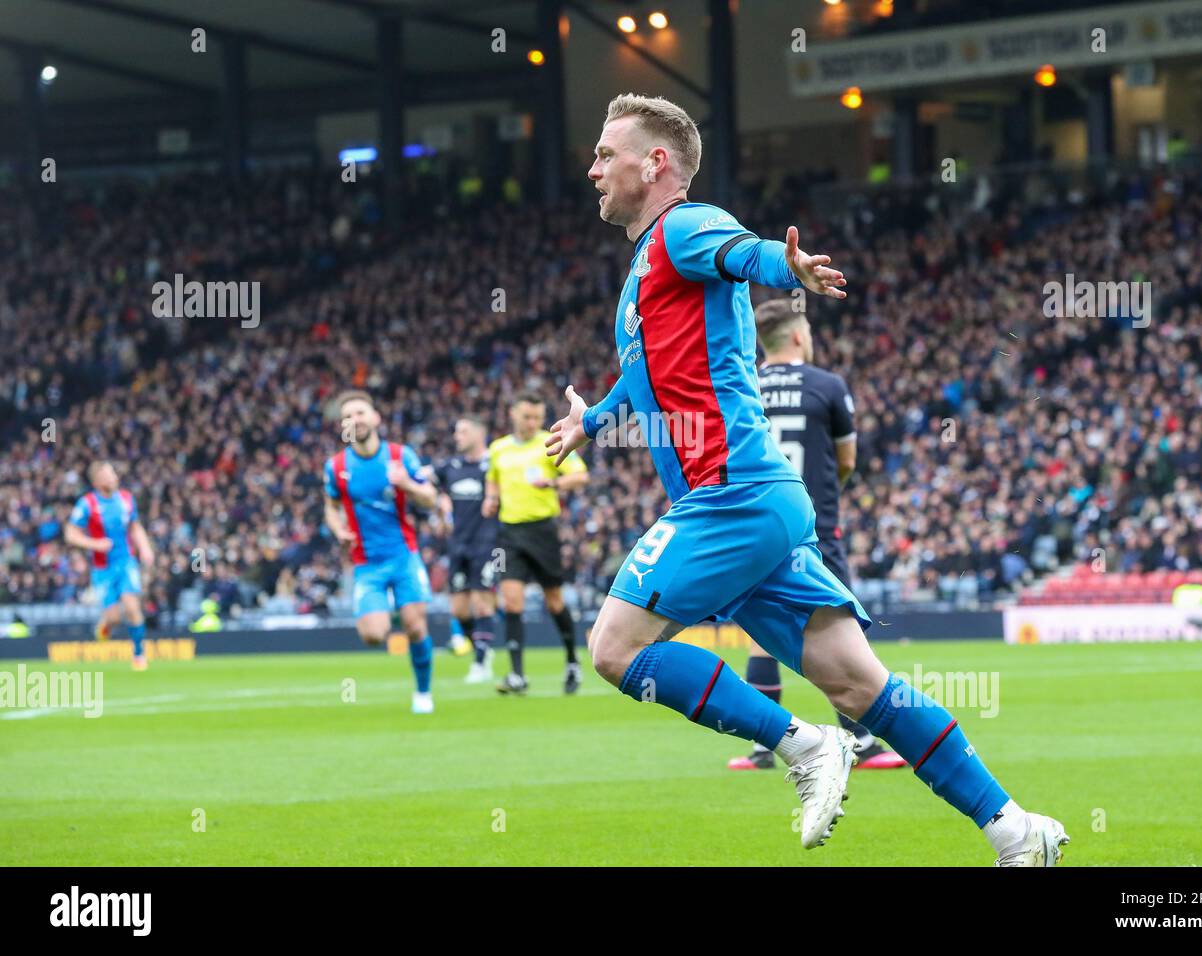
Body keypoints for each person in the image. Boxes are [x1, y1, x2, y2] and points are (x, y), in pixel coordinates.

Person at [545, 92, 1068, 863]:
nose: (591, 169)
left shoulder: (682, 227)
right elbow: (646, 383)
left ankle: (800, 742)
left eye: (604, 153)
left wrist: (780, 263)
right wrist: (590, 421)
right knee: (864, 687)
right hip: (761, 507)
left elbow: (740, 250)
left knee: (615, 649)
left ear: (654, 163)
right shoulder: (643, 269)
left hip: (734, 495)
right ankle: (1016, 831)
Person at [728, 297, 905, 772]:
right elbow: (846, 461)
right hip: (815, 525)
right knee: (838, 628)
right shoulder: (828, 386)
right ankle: (861, 740)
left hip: (757, 525)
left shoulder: (744, 386)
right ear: (801, 336)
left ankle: (765, 746)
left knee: (760, 634)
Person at [322, 390, 440, 714]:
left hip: (403, 555)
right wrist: (338, 530)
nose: (354, 420)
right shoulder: (336, 467)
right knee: (374, 635)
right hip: (366, 562)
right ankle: (386, 604)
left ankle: (423, 692)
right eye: (347, 416)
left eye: (360, 413)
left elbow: (430, 497)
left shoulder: (401, 456)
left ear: (375, 418)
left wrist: (408, 485)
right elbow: (330, 508)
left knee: (415, 628)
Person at [483, 393, 589, 695]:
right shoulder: (498, 448)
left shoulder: (551, 441)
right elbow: (492, 479)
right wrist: (491, 498)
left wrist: (554, 483)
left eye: (536, 417)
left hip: (543, 530)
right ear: (513, 413)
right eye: (527, 416)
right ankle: (516, 675)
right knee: (511, 600)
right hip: (508, 533)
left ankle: (572, 661)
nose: (532, 422)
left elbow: (580, 476)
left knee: (553, 600)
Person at [64, 461, 155, 671]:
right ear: (97, 481)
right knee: (113, 617)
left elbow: (135, 526)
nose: (114, 476)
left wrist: (145, 548)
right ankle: (104, 626)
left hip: (126, 562)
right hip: (102, 568)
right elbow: (70, 534)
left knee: (132, 606)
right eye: (109, 473)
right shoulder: (87, 503)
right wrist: (94, 543)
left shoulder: (126, 499)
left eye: (113, 472)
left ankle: (139, 654)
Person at [433, 416, 499, 683]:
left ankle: (481, 662)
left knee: (482, 604)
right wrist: (440, 499)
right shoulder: (450, 467)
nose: (456, 436)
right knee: (459, 610)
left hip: (489, 543)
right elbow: (424, 479)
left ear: (479, 434)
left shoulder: (494, 465)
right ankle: (482, 647)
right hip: (457, 545)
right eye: (456, 431)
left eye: (463, 431)